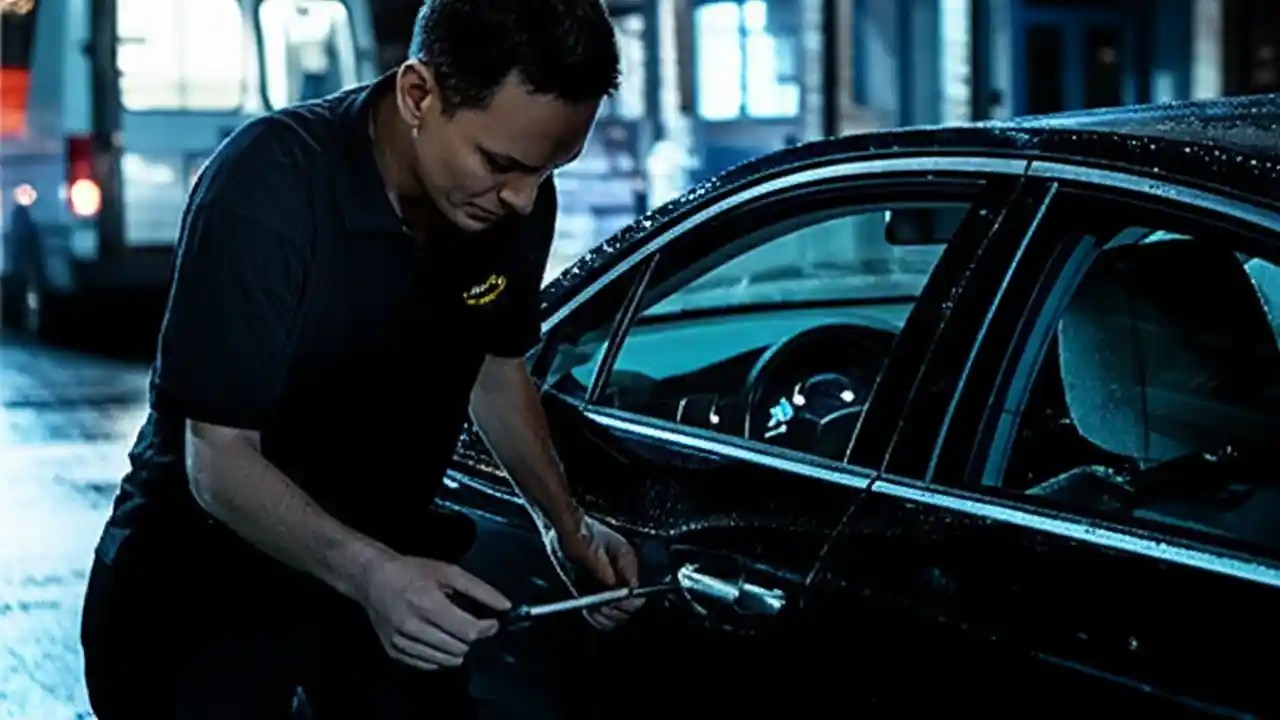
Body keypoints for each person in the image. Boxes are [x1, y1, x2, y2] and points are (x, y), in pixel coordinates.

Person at [78, 0, 643, 717]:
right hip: (199, 593)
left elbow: (494, 372)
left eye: (549, 169)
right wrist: (372, 573)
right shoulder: (267, 185)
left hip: (379, 578)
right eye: (501, 164)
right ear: (418, 94)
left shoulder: (511, 199)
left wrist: (566, 526)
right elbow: (216, 456)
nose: (526, 200)